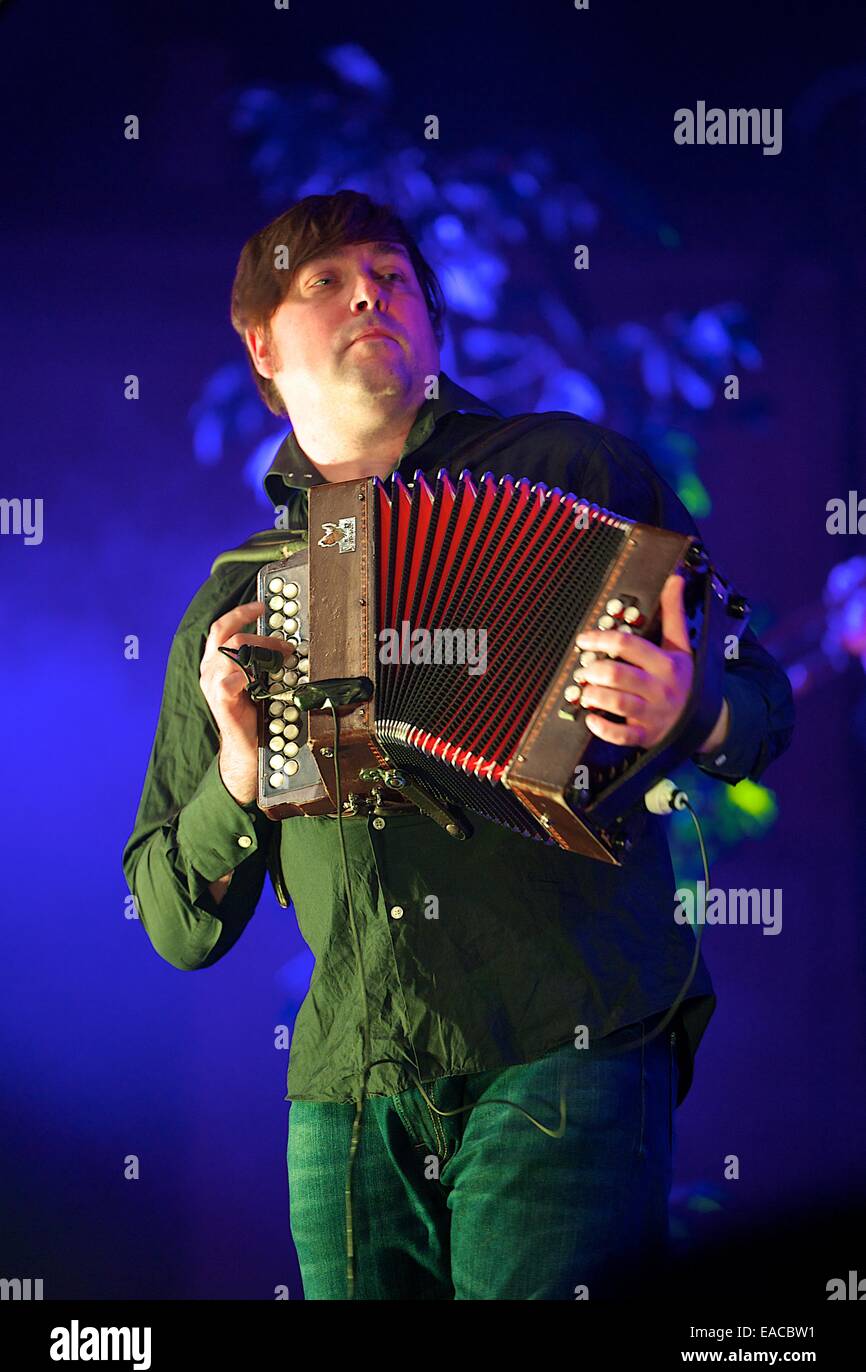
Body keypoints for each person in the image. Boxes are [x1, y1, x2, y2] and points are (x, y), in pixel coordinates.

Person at [122, 189, 794, 1301]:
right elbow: (172, 919)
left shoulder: (572, 471)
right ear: (260, 343)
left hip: (564, 1035)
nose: (368, 294)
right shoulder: (239, 600)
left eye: (390, 276)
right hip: (345, 1094)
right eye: (324, 283)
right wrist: (238, 781)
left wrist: (695, 707)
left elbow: (759, 697)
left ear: (432, 322)